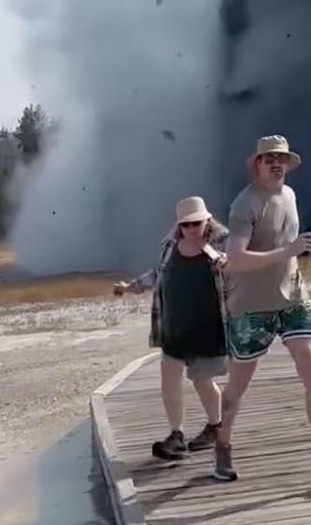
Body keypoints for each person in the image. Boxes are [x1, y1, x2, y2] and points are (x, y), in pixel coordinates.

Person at [213, 135, 311, 491]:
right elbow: (236, 261)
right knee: (239, 384)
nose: (277, 164)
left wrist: (291, 257)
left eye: (282, 159)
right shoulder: (244, 205)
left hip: (292, 297)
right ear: (256, 164)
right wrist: (288, 250)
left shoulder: (289, 196)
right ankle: (223, 443)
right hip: (251, 306)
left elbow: (285, 248)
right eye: (269, 159)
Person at [113, 195, 229, 461]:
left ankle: (215, 425)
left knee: (202, 380)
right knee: (169, 380)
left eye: (196, 223)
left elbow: (235, 268)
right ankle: (176, 435)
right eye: (186, 225)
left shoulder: (221, 244)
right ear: (179, 226)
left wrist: (220, 259)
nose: (191, 229)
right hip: (174, 326)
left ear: (207, 221)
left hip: (208, 326)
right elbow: (158, 274)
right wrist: (131, 287)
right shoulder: (170, 246)